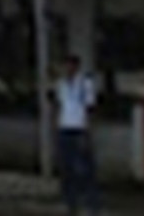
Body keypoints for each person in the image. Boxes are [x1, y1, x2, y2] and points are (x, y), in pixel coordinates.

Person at [53, 54, 104, 216]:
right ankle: (70, 202)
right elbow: (59, 105)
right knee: (67, 169)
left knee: (85, 169)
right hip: (65, 128)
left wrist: (88, 131)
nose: (67, 69)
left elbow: (90, 108)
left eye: (70, 66)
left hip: (79, 129)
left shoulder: (84, 84)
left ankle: (92, 203)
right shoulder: (61, 84)